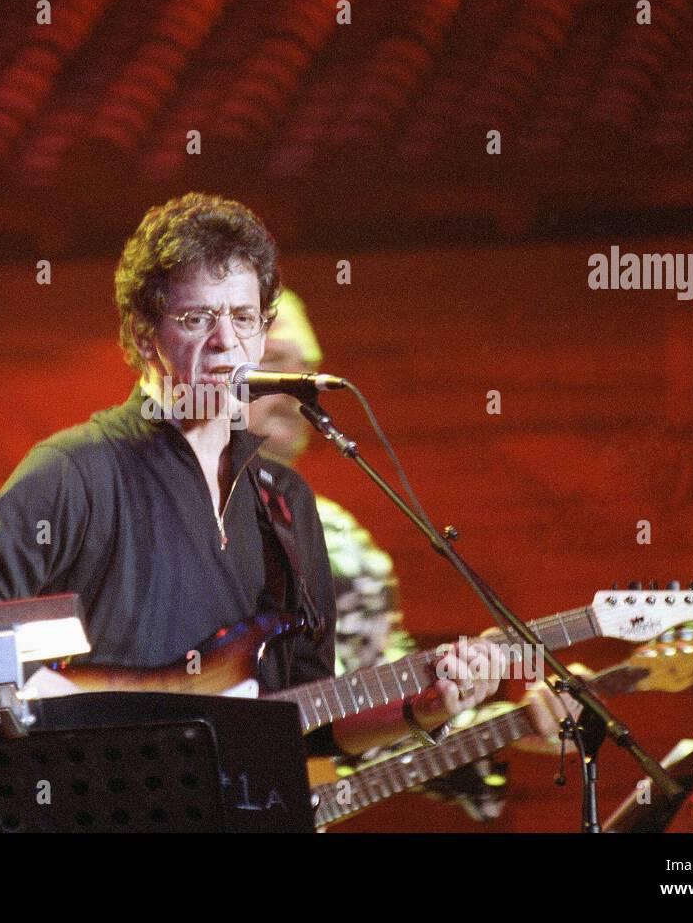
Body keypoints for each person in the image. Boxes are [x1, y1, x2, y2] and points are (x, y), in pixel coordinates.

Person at [0, 192, 505, 757]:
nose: (225, 344)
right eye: (195, 319)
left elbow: (309, 727)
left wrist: (420, 711)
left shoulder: (285, 503)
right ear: (143, 335)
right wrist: (57, 707)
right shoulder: (77, 470)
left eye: (243, 318)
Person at [248, 288, 580, 815]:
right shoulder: (130, 504)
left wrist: (510, 729)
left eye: (307, 368)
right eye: (273, 363)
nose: (298, 391)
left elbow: (377, 715)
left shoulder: (338, 540)